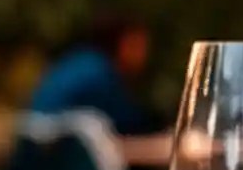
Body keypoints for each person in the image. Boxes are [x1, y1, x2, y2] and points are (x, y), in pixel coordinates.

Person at [27, 15, 155, 135]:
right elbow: (127, 124)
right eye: (139, 45)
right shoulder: (100, 75)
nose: (144, 55)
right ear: (123, 44)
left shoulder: (82, 60)